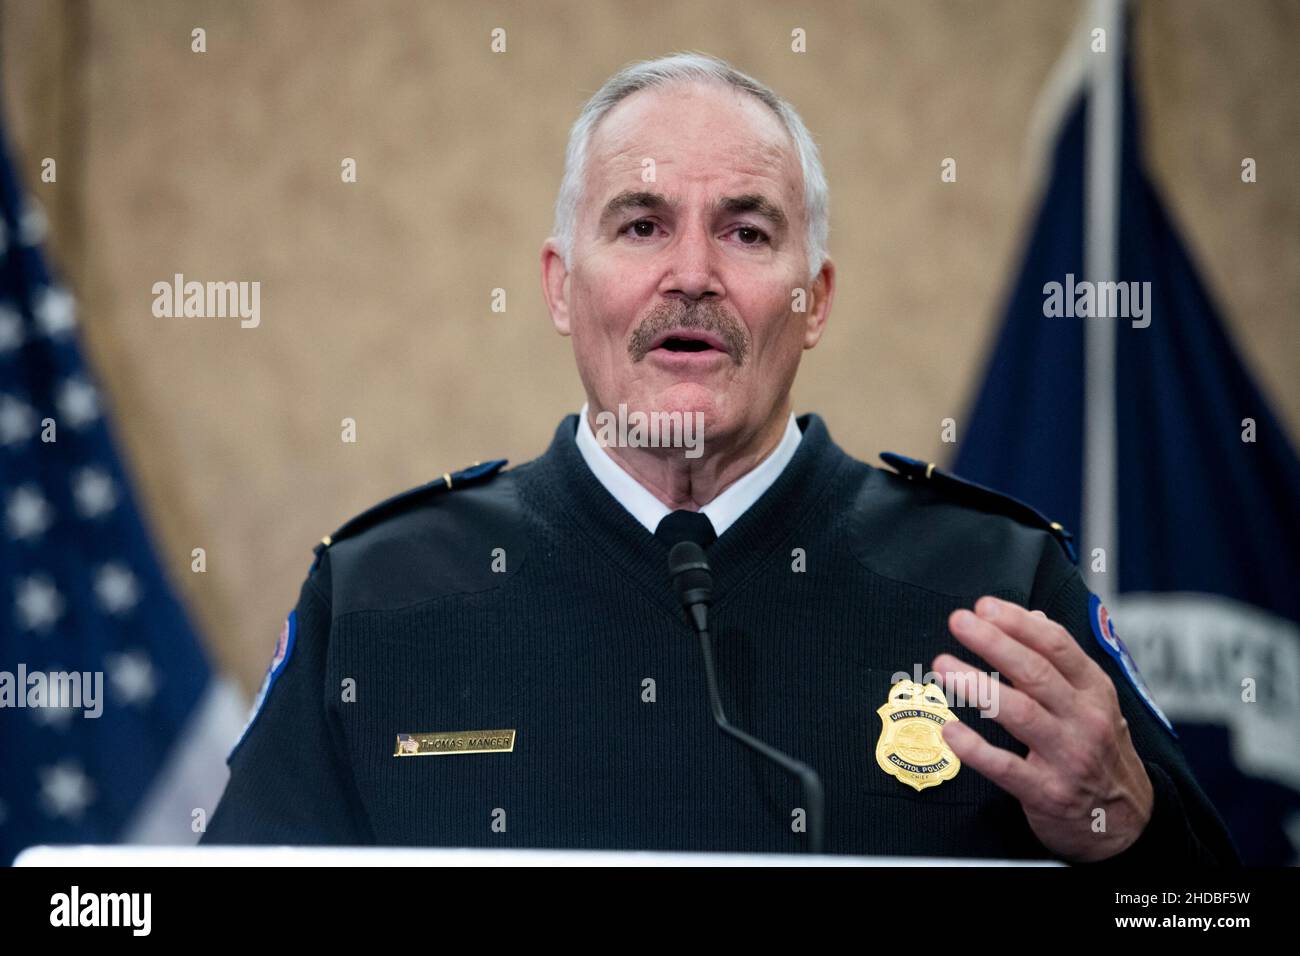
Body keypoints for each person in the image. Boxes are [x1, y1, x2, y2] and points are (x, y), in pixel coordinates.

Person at [202, 52, 1238, 863]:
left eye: (746, 233)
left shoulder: (998, 591)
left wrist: (1126, 825)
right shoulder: (379, 595)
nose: (690, 275)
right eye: (642, 224)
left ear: (814, 298)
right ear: (562, 287)